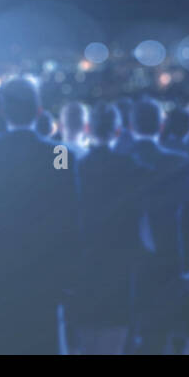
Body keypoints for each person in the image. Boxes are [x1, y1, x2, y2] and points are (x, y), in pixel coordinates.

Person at [0, 77, 78, 354]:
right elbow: (70, 218)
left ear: (3, 112)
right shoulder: (59, 153)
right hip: (45, 271)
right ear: (38, 111)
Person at [127, 98, 189, 354]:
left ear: (131, 125)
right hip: (169, 256)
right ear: (161, 126)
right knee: (161, 331)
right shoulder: (178, 161)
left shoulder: (120, 158)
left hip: (125, 258)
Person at [72, 104, 147, 354]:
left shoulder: (76, 168)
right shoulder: (131, 167)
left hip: (84, 262)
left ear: (87, 128)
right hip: (119, 264)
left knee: (86, 339)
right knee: (114, 338)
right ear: (117, 131)